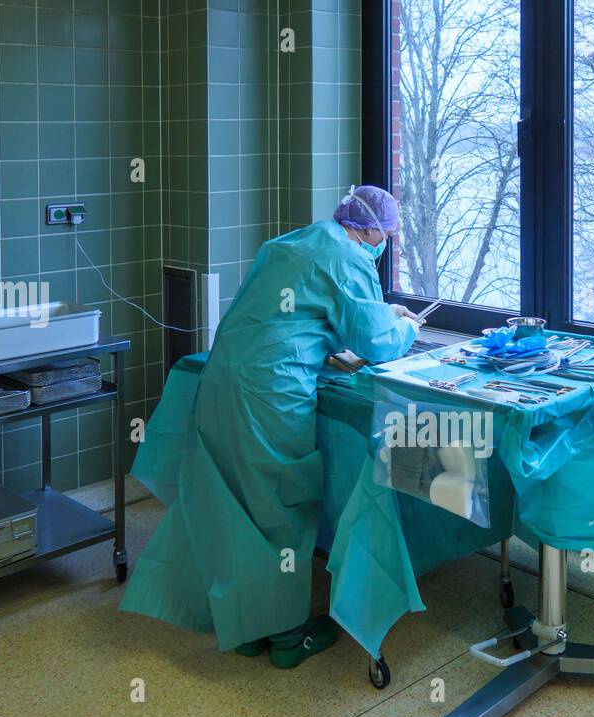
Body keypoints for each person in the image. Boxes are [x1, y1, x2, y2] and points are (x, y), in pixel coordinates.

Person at [121, 186, 420, 668]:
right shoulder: (347, 257)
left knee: (232, 502)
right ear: (367, 229)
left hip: (222, 378)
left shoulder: (293, 243)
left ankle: (244, 625)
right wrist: (406, 326)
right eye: (386, 235)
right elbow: (377, 341)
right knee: (279, 505)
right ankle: (286, 636)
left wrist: (378, 312)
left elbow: (304, 308)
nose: (385, 244)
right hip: (270, 391)